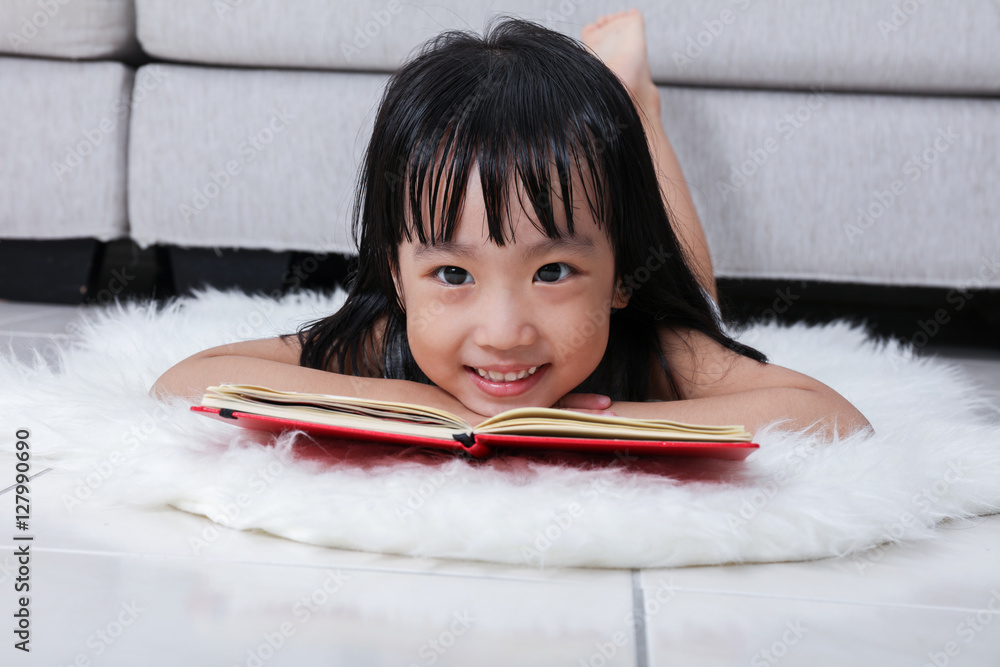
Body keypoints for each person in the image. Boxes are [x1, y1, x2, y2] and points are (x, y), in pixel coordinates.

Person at [151, 10, 871, 438]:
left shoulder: (657, 348)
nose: (503, 332)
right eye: (454, 273)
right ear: (398, 278)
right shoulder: (388, 340)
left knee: (692, 284)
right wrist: (417, 402)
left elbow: (835, 418)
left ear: (617, 279)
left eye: (552, 271)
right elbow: (185, 380)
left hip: (652, 297)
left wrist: (599, 424)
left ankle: (638, 104)